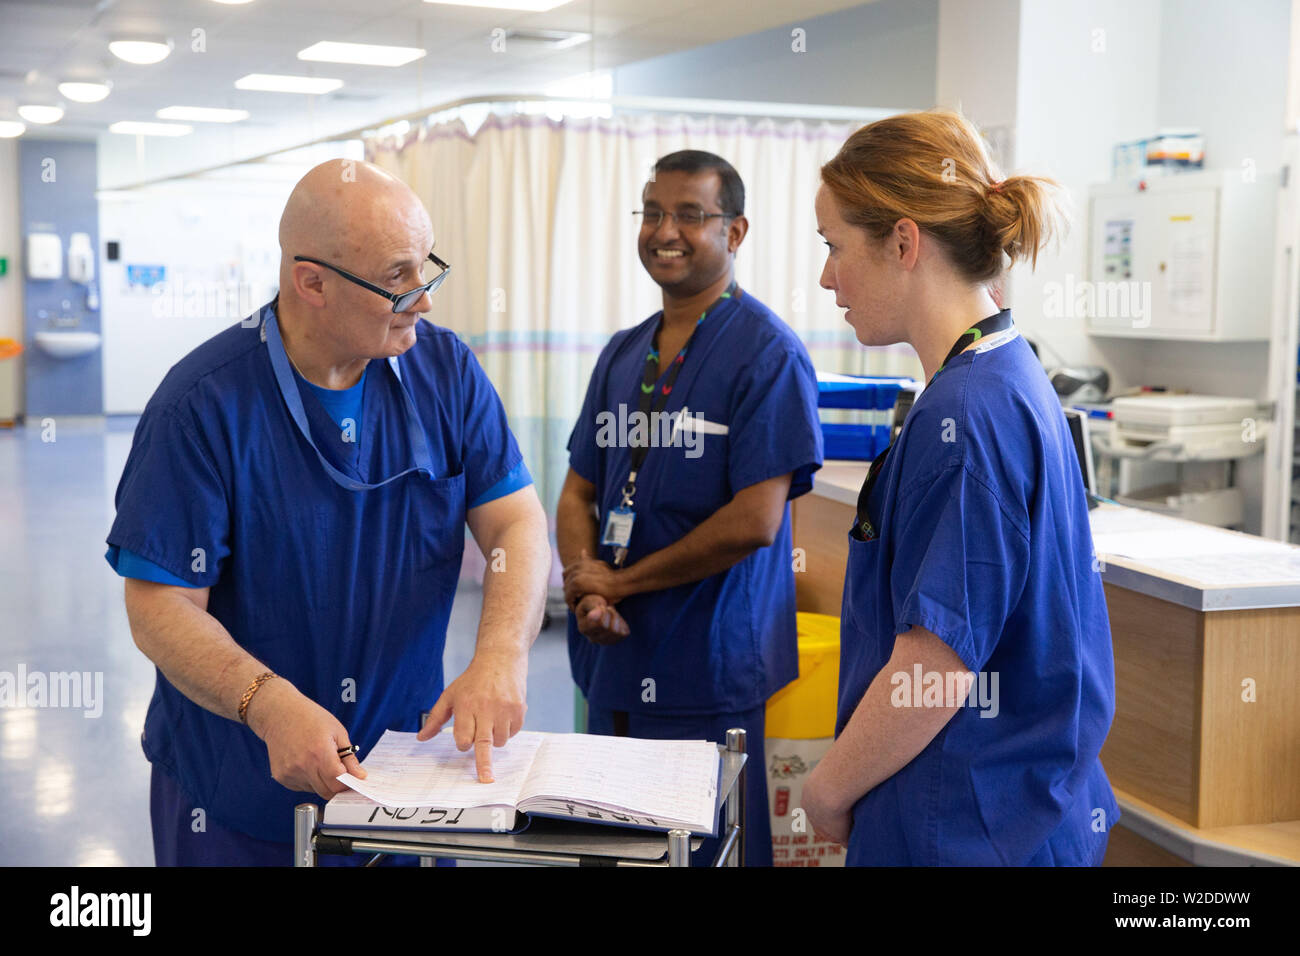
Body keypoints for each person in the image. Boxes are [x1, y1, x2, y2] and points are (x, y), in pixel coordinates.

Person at [106, 159, 551, 866]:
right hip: (240, 790)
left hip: (406, 777)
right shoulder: (201, 408)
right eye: (397, 278)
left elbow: (514, 522)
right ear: (310, 282)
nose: (424, 299)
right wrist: (266, 702)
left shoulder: (446, 371)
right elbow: (159, 605)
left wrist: (501, 654)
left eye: (426, 268)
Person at [801, 109, 1120, 865]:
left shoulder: (968, 414)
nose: (826, 277)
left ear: (903, 242)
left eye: (834, 247)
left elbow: (935, 667)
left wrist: (829, 789)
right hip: (1007, 805)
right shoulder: (1003, 377)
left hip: (969, 821)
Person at [558, 150, 823, 866]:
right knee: (613, 847)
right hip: (611, 653)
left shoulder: (768, 355)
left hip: (708, 665)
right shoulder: (622, 354)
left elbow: (755, 521)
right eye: (651, 212)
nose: (663, 230)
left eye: (688, 215)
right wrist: (587, 583)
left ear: (735, 233)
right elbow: (580, 489)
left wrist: (622, 584)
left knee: (705, 853)